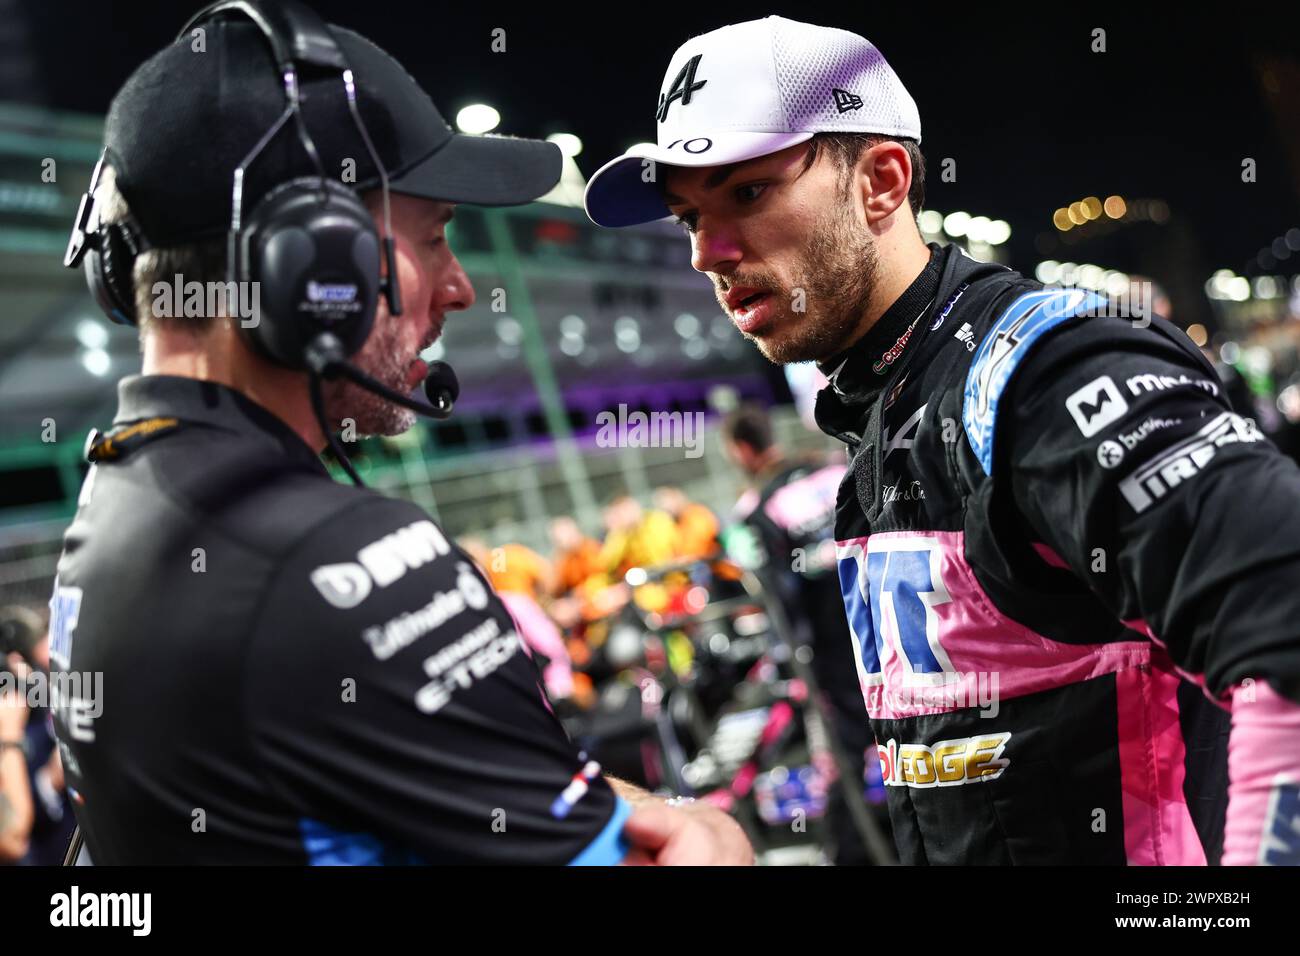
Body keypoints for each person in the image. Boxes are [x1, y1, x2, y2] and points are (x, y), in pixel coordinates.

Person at [585, 15, 1300, 864]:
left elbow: (1286, 614)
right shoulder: (881, 406)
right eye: (686, 216)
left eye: (746, 194)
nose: (711, 252)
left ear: (882, 182)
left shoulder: (1042, 370)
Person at [50, 0, 750, 865]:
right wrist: (711, 835)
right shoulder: (347, 563)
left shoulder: (116, 509)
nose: (457, 288)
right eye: (434, 236)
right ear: (314, 261)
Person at [721, 404, 883, 864]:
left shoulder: (755, 510)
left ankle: (848, 855)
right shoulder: (831, 469)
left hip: (832, 654)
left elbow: (773, 594)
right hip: (893, 628)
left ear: (739, 450)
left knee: (843, 756)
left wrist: (790, 656)